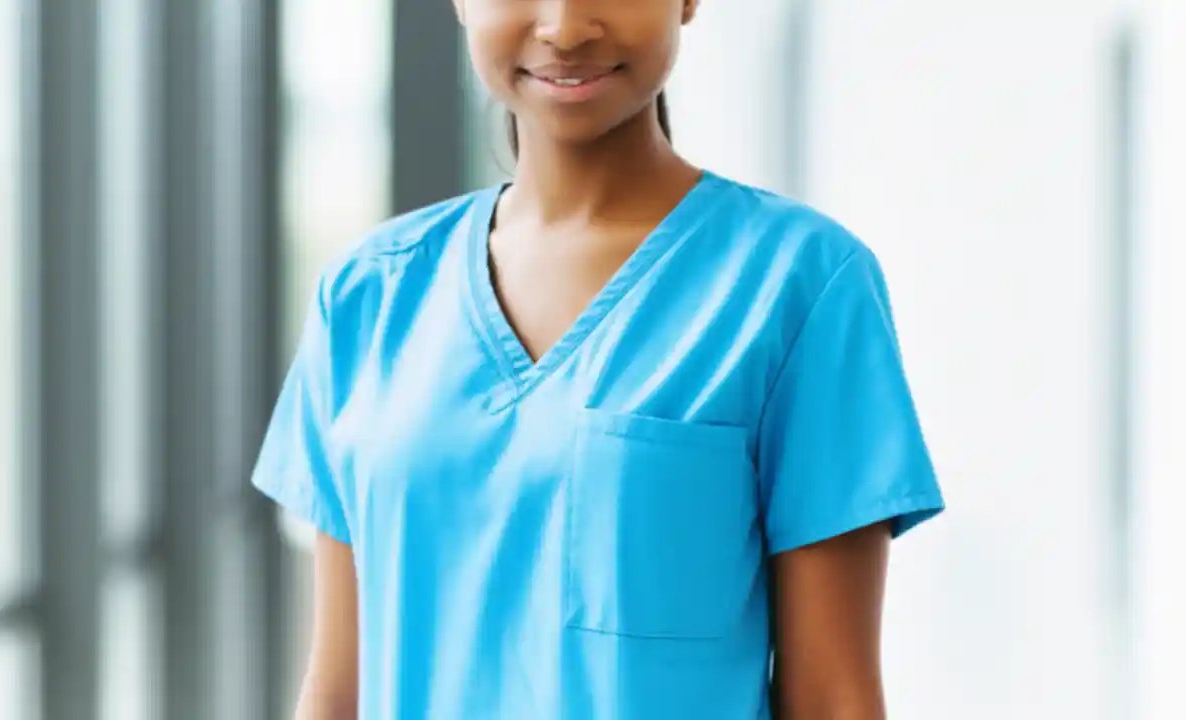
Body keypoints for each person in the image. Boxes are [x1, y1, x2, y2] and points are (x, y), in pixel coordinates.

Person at [252, 1, 946, 717]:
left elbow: (833, 698)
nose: (565, 27)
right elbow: (337, 690)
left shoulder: (798, 284)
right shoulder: (369, 294)